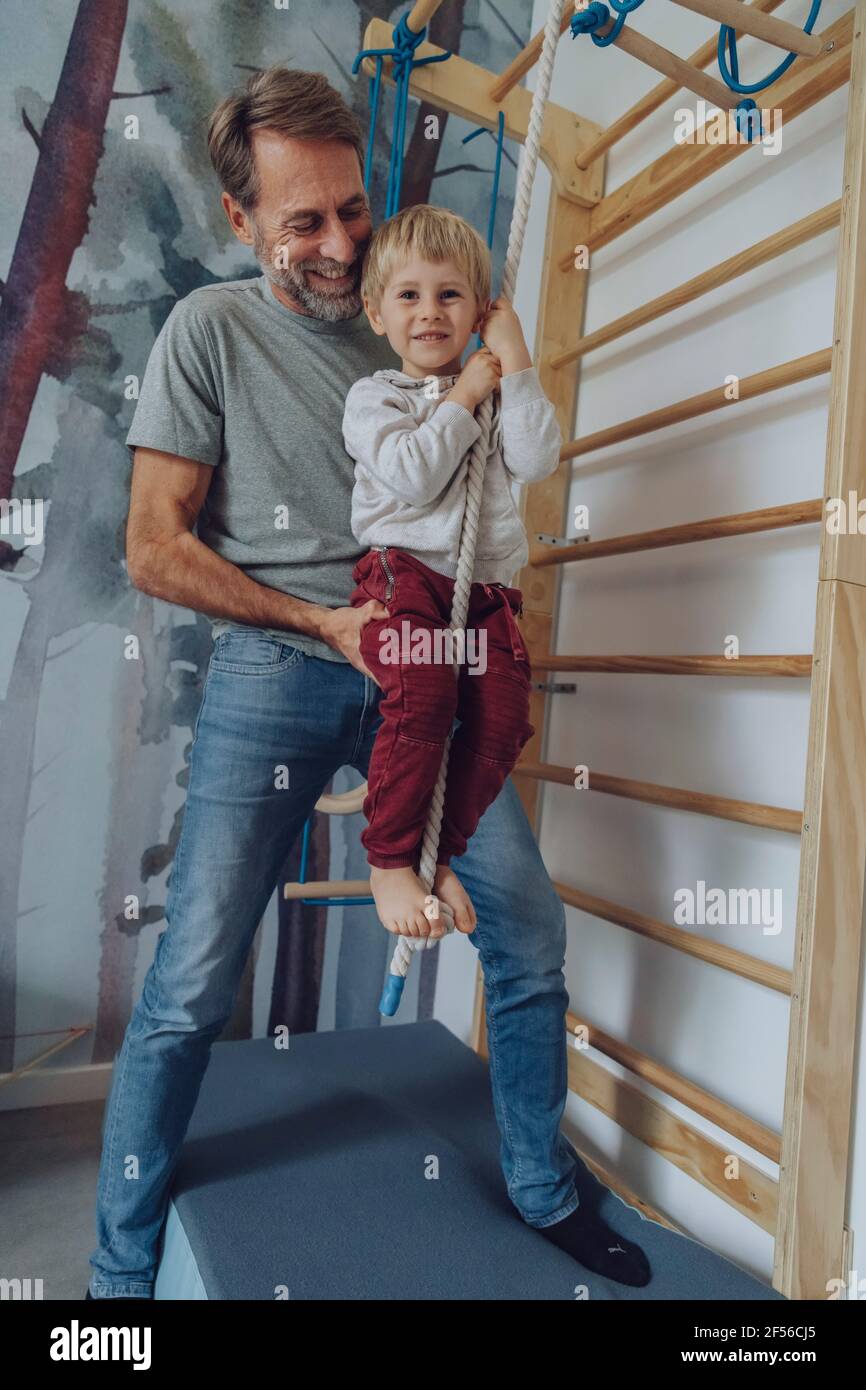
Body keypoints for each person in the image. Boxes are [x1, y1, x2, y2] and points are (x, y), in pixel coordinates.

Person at [87, 66, 650, 1299]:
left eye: (350, 208)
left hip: (434, 666)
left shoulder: (413, 306)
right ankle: (117, 1275)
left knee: (528, 927)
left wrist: (504, 357)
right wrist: (319, 620)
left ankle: (545, 1193)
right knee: (189, 979)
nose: (340, 243)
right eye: (303, 221)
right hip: (282, 665)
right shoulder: (213, 331)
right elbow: (153, 546)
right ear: (242, 222)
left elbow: (510, 455)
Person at [342, 204, 560, 941]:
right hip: (403, 579)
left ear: (476, 313)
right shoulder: (375, 399)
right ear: (376, 312)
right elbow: (413, 474)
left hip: (486, 595)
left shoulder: (498, 398)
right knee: (425, 693)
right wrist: (464, 393)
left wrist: (516, 363)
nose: (429, 311)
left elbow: (536, 460)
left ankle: (440, 855)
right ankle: (389, 859)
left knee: (505, 722)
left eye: (449, 295)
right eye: (408, 295)